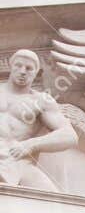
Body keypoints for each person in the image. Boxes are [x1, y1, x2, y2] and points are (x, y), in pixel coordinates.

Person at [0, 49, 77, 189]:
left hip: (18, 161)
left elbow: (69, 135)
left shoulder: (41, 101)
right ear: (11, 67)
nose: (23, 71)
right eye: (18, 65)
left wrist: (31, 144)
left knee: (52, 200)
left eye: (29, 68)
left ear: (36, 73)